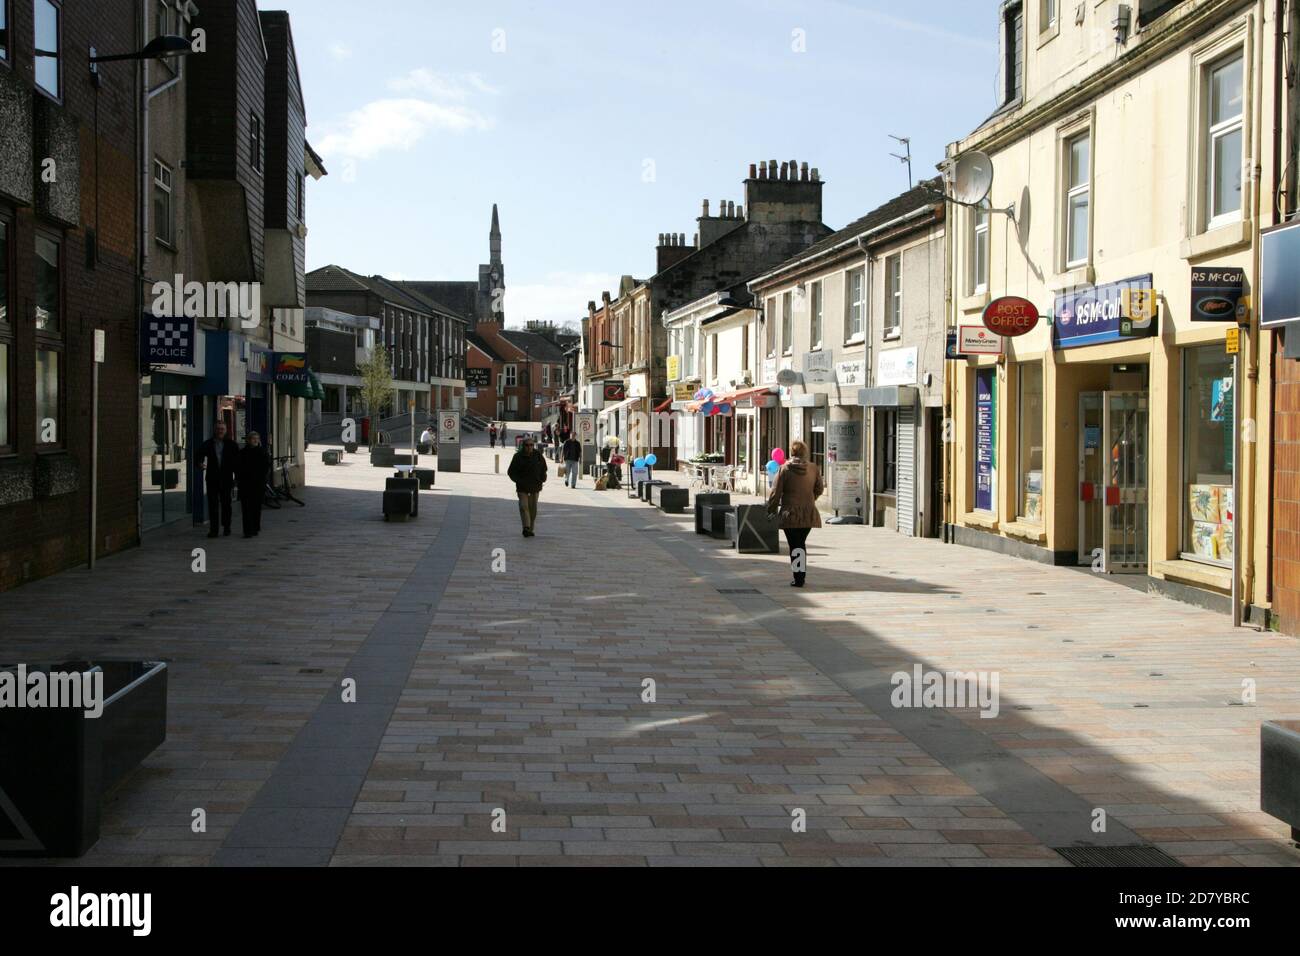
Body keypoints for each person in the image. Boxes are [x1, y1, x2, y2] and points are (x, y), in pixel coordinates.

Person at [766, 440, 824, 589]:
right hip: (808, 512)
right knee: (800, 544)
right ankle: (800, 576)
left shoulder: (784, 469)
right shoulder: (813, 468)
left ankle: (799, 578)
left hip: (789, 513)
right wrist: (810, 499)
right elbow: (819, 488)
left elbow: (775, 492)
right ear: (805, 452)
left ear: (791, 452)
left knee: (795, 545)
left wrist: (771, 510)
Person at [198, 421, 240, 538]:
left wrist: (237, 477)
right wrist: (200, 463)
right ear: (214, 430)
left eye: (222, 429)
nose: (220, 431)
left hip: (226, 478)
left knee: (226, 504)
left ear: (225, 430)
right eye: (218, 429)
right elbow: (199, 455)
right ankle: (214, 529)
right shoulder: (208, 444)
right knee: (213, 504)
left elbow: (237, 463)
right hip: (212, 478)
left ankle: (227, 527)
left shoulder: (232, 444)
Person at [507, 435, 548, 537]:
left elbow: (544, 468)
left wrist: (542, 479)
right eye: (527, 445)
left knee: (532, 509)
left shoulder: (538, 455)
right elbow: (511, 472)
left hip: (535, 486)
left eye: (531, 445)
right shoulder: (517, 457)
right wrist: (518, 481)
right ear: (523, 446)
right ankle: (526, 527)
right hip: (522, 487)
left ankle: (530, 528)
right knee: (523, 506)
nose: (529, 447)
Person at [236, 431, 271, 538]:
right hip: (245, 484)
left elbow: (266, 467)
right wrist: (239, 480)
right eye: (253, 438)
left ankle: (255, 527)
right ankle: (247, 530)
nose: (255, 440)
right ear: (248, 440)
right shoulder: (242, 453)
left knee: (256, 507)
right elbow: (238, 467)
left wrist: (263, 479)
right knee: (246, 508)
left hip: (258, 484)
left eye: (257, 438)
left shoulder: (262, 452)